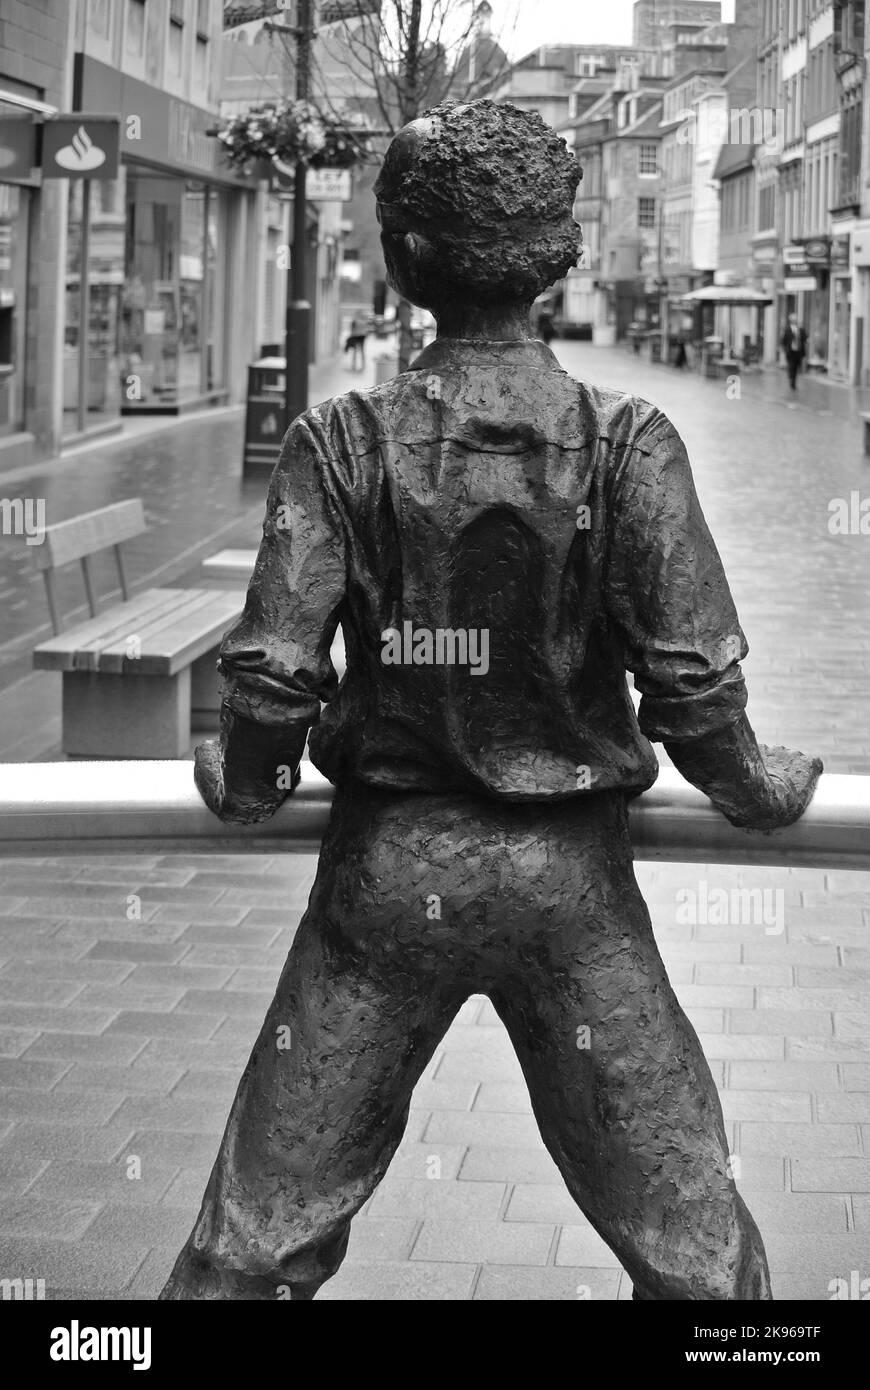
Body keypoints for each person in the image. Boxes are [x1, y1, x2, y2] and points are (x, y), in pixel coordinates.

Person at [160, 99, 821, 1302]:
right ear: (556, 257)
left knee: (252, 1243)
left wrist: (248, 779)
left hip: (384, 877)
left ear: (406, 263)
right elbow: (691, 680)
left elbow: (271, 673)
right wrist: (755, 787)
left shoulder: (343, 438)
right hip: (572, 888)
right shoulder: (625, 440)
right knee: (697, 1254)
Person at [781, 313, 807, 390]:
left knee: (796, 367)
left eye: (796, 319)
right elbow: (783, 341)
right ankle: (792, 380)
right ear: (791, 321)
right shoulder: (787, 329)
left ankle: (793, 379)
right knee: (791, 366)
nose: (795, 321)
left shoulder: (801, 329)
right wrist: (785, 349)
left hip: (798, 351)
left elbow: (804, 338)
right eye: (793, 319)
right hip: (790, 351)